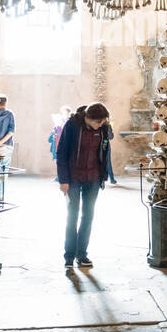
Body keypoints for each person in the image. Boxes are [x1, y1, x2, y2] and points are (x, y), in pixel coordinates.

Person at [55, 102, 112, 270]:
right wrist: (63, 180)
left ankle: (82, 254)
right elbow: (62, 152)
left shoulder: (102, 128)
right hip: (73, 178)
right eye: (97, 122)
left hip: (93, 178)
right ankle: (69, 256)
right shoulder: (72, 125)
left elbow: (105, 150)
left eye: (102, 122)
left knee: (88, 216)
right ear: (88, 118)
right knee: (72, 216)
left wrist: (103, 176)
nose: (100, 125)